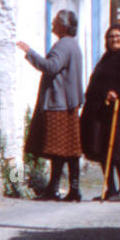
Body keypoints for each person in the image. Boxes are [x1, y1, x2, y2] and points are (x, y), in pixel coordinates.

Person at [19, 10, 84, 202]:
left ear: (63, 25)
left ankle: (57, 189)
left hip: (59, 103)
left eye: (56, 21)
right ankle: (70, 189)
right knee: (69, 149)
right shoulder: (73, 45)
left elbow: (51, 66)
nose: (52, 24)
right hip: (68, 103)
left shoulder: (63, 45)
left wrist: (30, 53)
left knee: (59, 149)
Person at [81, 24, 120, 201]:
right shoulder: (106, 57)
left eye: (117, 36)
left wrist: (118, 93)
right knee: (101, 147)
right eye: (111, 36)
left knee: (117, 147)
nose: (114, 39)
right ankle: (111, 189)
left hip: (117, 109)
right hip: (100, 110)